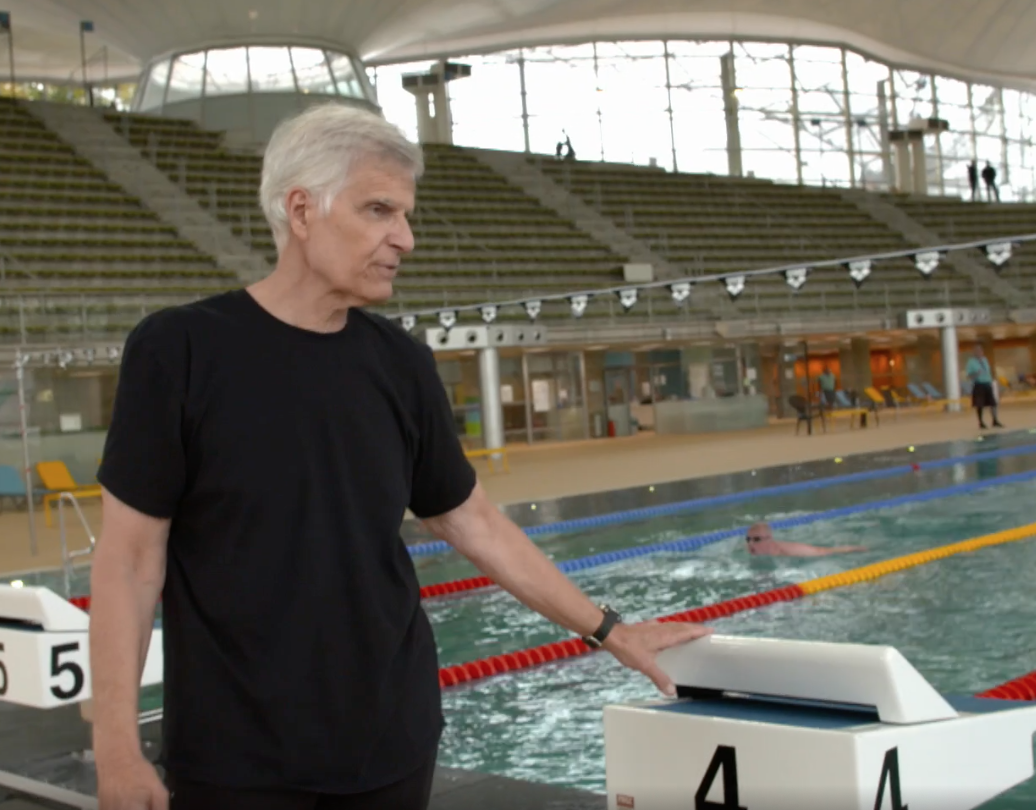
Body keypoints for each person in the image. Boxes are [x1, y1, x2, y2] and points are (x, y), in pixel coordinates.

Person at [87, 103, 712, 810]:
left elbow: (470, 519)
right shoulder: (181, 350)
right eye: (380, 210)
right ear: (301, 210)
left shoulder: (401, 362)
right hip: (237, 756)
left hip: (392, 739)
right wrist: (116, 747)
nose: (405, 239)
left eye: (406, 215)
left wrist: (609, 630)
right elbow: (131, 559)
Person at [744, 522, 866, 557]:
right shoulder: (747, 550)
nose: (750, 543)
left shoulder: (789, 550)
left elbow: (822, 551)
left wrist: (853, 548)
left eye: (756, 539)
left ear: (769, 539)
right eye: (748, 539)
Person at [966, 344, 1003, 429]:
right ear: (974, 352)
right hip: (979, 384)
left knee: (993, 403)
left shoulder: (985, 360)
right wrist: (976, 374)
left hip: (987, 383)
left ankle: (995, 420)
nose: (980, 353)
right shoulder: (971, 362)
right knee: (980, 404)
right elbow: (969, 376)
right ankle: (981, 422)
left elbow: (988, 371)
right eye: (977, 351)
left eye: (981, 351)